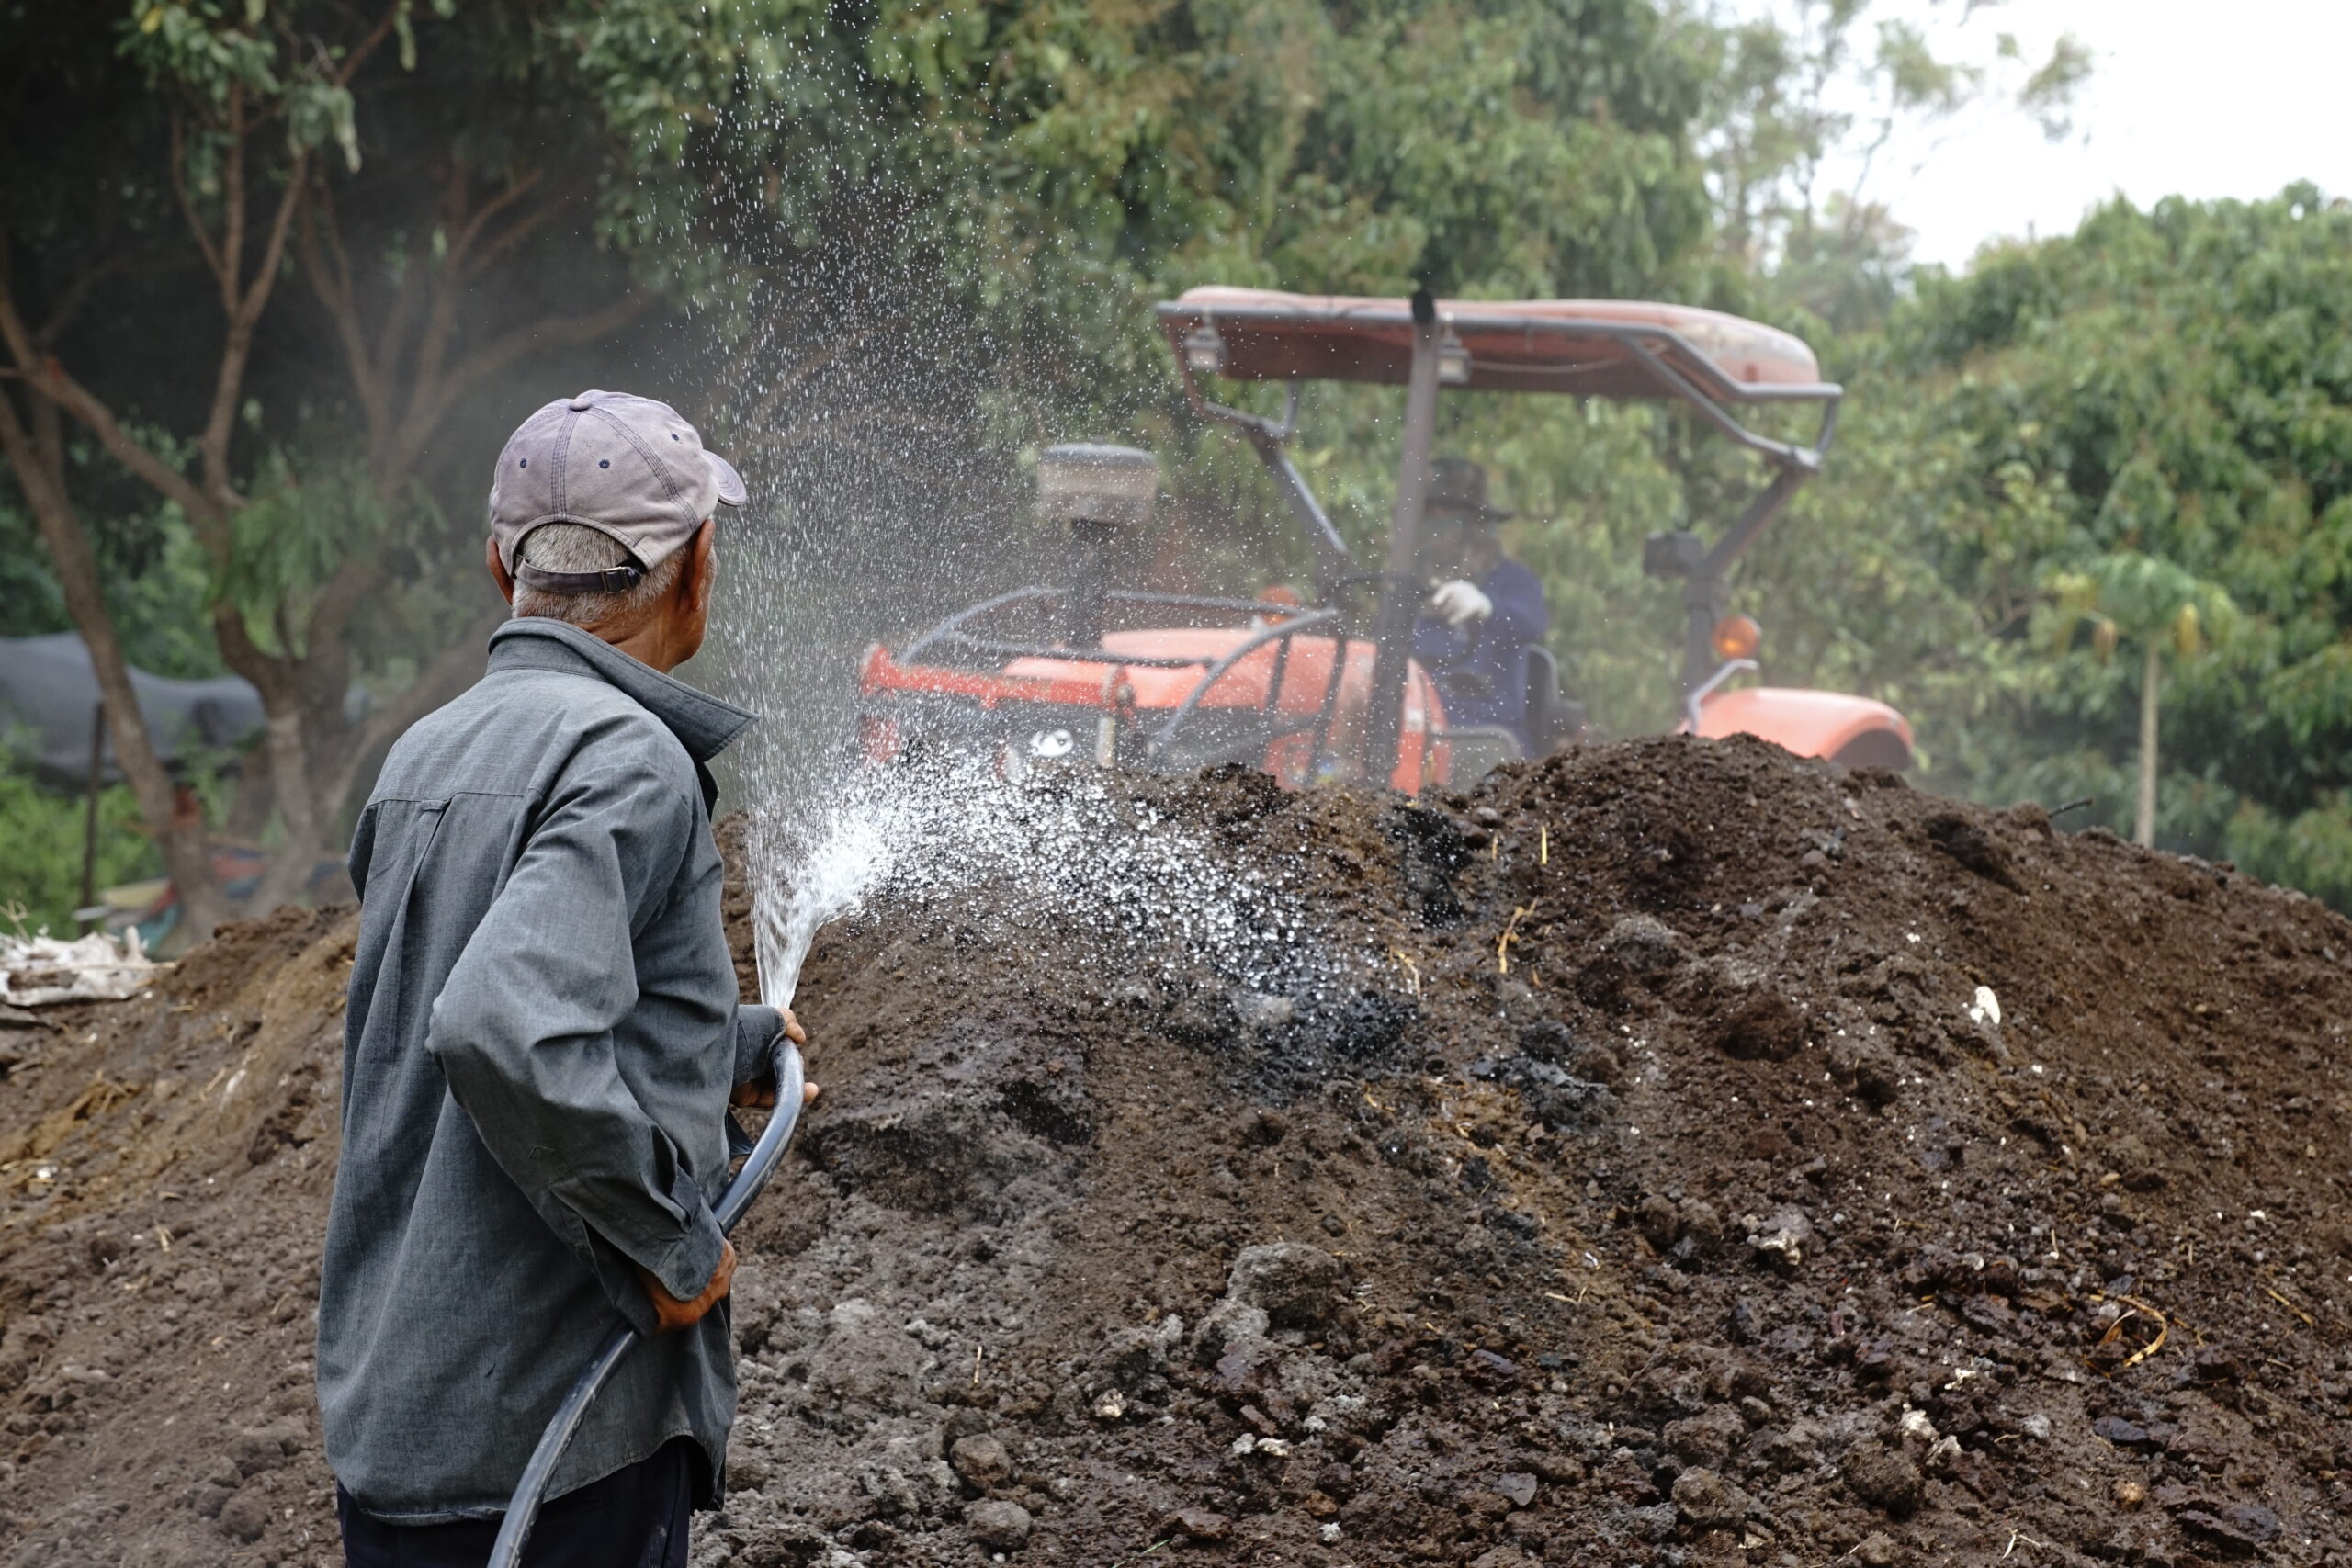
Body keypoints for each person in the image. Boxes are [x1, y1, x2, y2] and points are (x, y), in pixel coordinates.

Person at [318, 389, 811, 1568]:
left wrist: (723, 1047)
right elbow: (498, 1026)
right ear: (694, 567)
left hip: (400, 1422)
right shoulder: (631, 760)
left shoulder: (424, 753)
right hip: (552, 1439)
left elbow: (465, 1002)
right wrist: (666, 1243)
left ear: (504, 568)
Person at [1412, 457, 1550, 751]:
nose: (1434, 523)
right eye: (1428, 512)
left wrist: (1487, 607)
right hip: (1412, 736)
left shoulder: (1512, 581)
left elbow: (1533, 623)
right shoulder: (1407, 584)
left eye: (1445, 511)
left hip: (1485, 739)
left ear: (1473, 521)